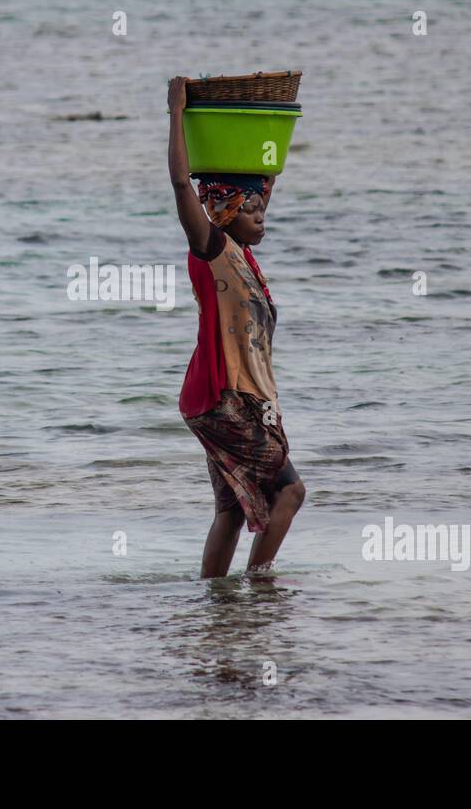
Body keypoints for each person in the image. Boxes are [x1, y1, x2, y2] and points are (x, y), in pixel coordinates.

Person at [167, 76, 306, 579]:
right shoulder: (212, 249)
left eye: (262, 207)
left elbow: (263, 176)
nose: (261, 215)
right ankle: (260, 585)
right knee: (290, 491)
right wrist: (177, 113)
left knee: (229, 508)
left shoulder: (243, 254)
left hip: (223, 401)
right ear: (225, 214)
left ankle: (216, 601)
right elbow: (184, 185)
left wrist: (266, 126)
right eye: (250, 210)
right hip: (226, 399)